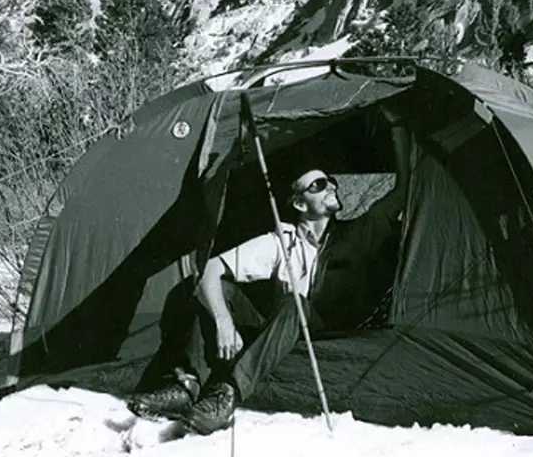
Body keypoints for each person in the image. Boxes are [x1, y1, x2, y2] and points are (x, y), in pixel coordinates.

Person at [128, 109, 412, 435]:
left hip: (325, 335)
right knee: (213, 288)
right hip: (280, 333)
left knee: (295, 302)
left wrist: (399, 128)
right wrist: (223, 321)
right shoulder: (280, 240)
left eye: (331, 181)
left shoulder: (356, 235)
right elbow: (211, 268)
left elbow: (401, 191)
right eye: (319, 185)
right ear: (300, 204)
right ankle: (186, 385)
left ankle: (227, 394)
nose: (331, 186)